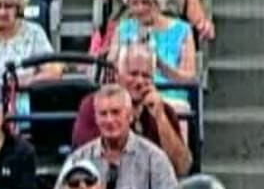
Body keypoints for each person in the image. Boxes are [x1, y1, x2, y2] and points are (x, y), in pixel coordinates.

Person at [54, 84, 179, 189]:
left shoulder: (155, 158)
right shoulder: (78, 158)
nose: (109, 120)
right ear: (96, 119)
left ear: (130, 116)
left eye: (115, 112)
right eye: (103, 114)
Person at [72, 45, 191, 175]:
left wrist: (160, 117)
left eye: (146, 76)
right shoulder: (94, 105)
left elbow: (182, 167)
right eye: (133, 74)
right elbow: (85, 158)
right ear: (117, 75)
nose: (139, 81)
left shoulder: (164, 111)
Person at [105, 0, 196, 110]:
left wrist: (159, 64)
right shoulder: (123, 28)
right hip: (130, 98)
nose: (140, 9)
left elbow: (189, 78)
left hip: (169, 98)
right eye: (134, 3)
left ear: (159, 2)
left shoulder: (182, 30)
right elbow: (110, 69)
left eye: (146, 2)